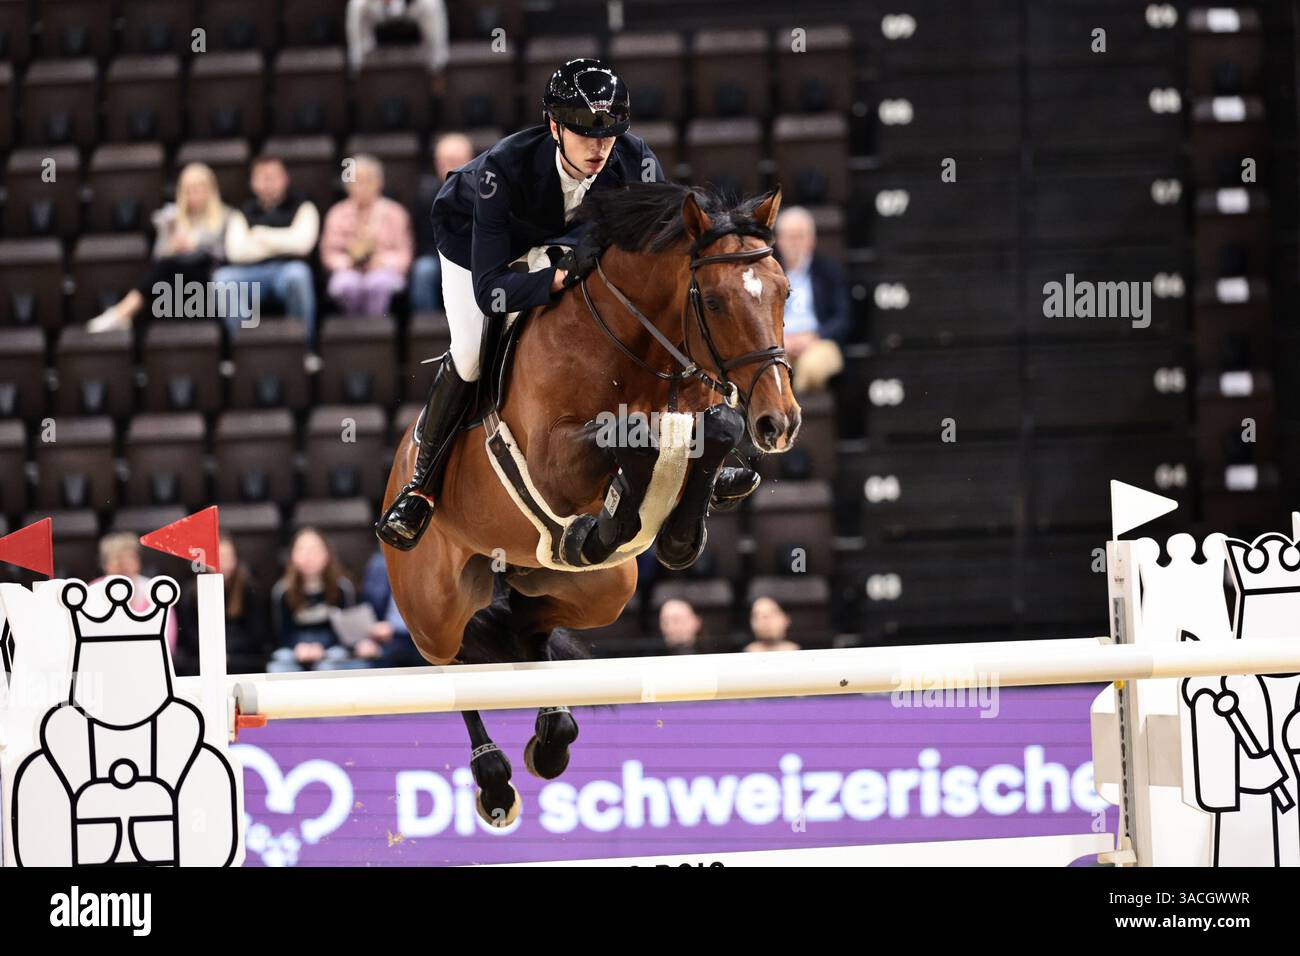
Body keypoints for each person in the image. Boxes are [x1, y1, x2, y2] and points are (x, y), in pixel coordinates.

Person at [376, 58, 761, 550]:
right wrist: (554, 279)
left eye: (609, 136)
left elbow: (665, 246)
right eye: (585, 134)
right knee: (472, 351)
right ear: (555, 127)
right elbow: (492, 288)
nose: (600, 148)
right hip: (478, 242)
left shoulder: (633, 158)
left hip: (562, 237)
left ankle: (706, 454)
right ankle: (422, 486)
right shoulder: (502, 170)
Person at [87, 163, 232, 332]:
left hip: (208, 279)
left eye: (200, 188)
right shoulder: (172, 218)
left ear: (211, 190)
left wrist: (198, 245)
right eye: (190, 190)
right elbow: (158, 256)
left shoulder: (226, 217)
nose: (195, 195)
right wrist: (174, 246)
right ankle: (125, 322)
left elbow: (228, 254)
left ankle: (121, 312)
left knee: (166, 270)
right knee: (160, 281)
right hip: (175, 283)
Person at [212, 154, 321, 344]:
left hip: (287, 270)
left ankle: (303, 348)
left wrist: (260, 235)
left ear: (285, 178)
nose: (268, 183)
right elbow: (235, 252)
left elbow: (302, 245)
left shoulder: (303, 206)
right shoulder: (242, 211)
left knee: (298, 275)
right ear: (252, 182)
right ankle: (245, 346)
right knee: (223, 280)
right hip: (251, 273)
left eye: (273, 177)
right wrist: (284, 240)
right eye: (262, 177)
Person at [321, 154, 414, 318]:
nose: (360, 187)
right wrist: (349, 262)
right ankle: (354, 330)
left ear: (379, 183)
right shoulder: (337, 213)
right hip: (349, 270)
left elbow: (404, 254)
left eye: (367, 181)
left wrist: (382, 261)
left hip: (384, 270)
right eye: (355, 181)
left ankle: (376, 331)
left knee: (378, 283)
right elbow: (329, 254)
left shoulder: (395, 213)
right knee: (345, 285)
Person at [772, 207, 852, 394]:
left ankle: (796, 413)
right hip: (778, 343)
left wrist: (814, 337)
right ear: (779, 241)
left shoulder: (829, 271)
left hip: (819, 341)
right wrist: (781, 340)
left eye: (800, 236)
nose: (794, 243)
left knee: (812, 368)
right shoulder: (768, 275)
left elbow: (843, 318)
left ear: (812, 240)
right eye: (789, 236)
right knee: (771, 371)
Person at [267, 528, 362, 672]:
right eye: (302, 550)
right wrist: (298, 647)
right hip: (295, 650)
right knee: (278, 665)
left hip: (331, 649)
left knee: (333, 662)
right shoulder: (282, 591)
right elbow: (280, 633)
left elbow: (347, 633)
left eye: (314, 550)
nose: (308, 556)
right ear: (292, 556)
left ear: (327, 554)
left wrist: (322, 649)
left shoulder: (342, 587)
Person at [175, 535, 272, 676]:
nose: (222, 562)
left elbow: (256, 633)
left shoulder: (250, 589)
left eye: (227, 557)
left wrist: (226, 650)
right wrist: (212, 652)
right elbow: (188, 633)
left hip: (241, 659)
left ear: (236, 559)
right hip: (202, 659)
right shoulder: (190, 593)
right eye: (217, 557)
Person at [410, 132, 474, 313]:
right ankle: (427, 330)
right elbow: (421, 238)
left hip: (474, 255)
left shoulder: (485, 192)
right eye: (442, 161)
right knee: (423, 271)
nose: (447, 166)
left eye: (454, 160)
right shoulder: (425, 195)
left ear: (471, 159)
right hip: (436, 256)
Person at [91, 533, 179, 653]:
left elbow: (168, 639)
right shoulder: (92, 591)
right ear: (105, 564)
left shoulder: (155, 592)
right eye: (117, 558)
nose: (124, 565)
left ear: (138, 561)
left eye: (130, 557)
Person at [346, 0, 448, 81]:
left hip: (408, 8)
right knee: (356, 4)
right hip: (380, 9)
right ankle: (359, 63)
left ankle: (437, 66)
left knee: (433, 3)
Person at [357, 550, 427, 666]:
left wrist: (393, 628)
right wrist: (370, 632)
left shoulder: (431, 567)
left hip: (416, 639)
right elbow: (367, 603)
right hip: (383, 635)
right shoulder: (379, 563)